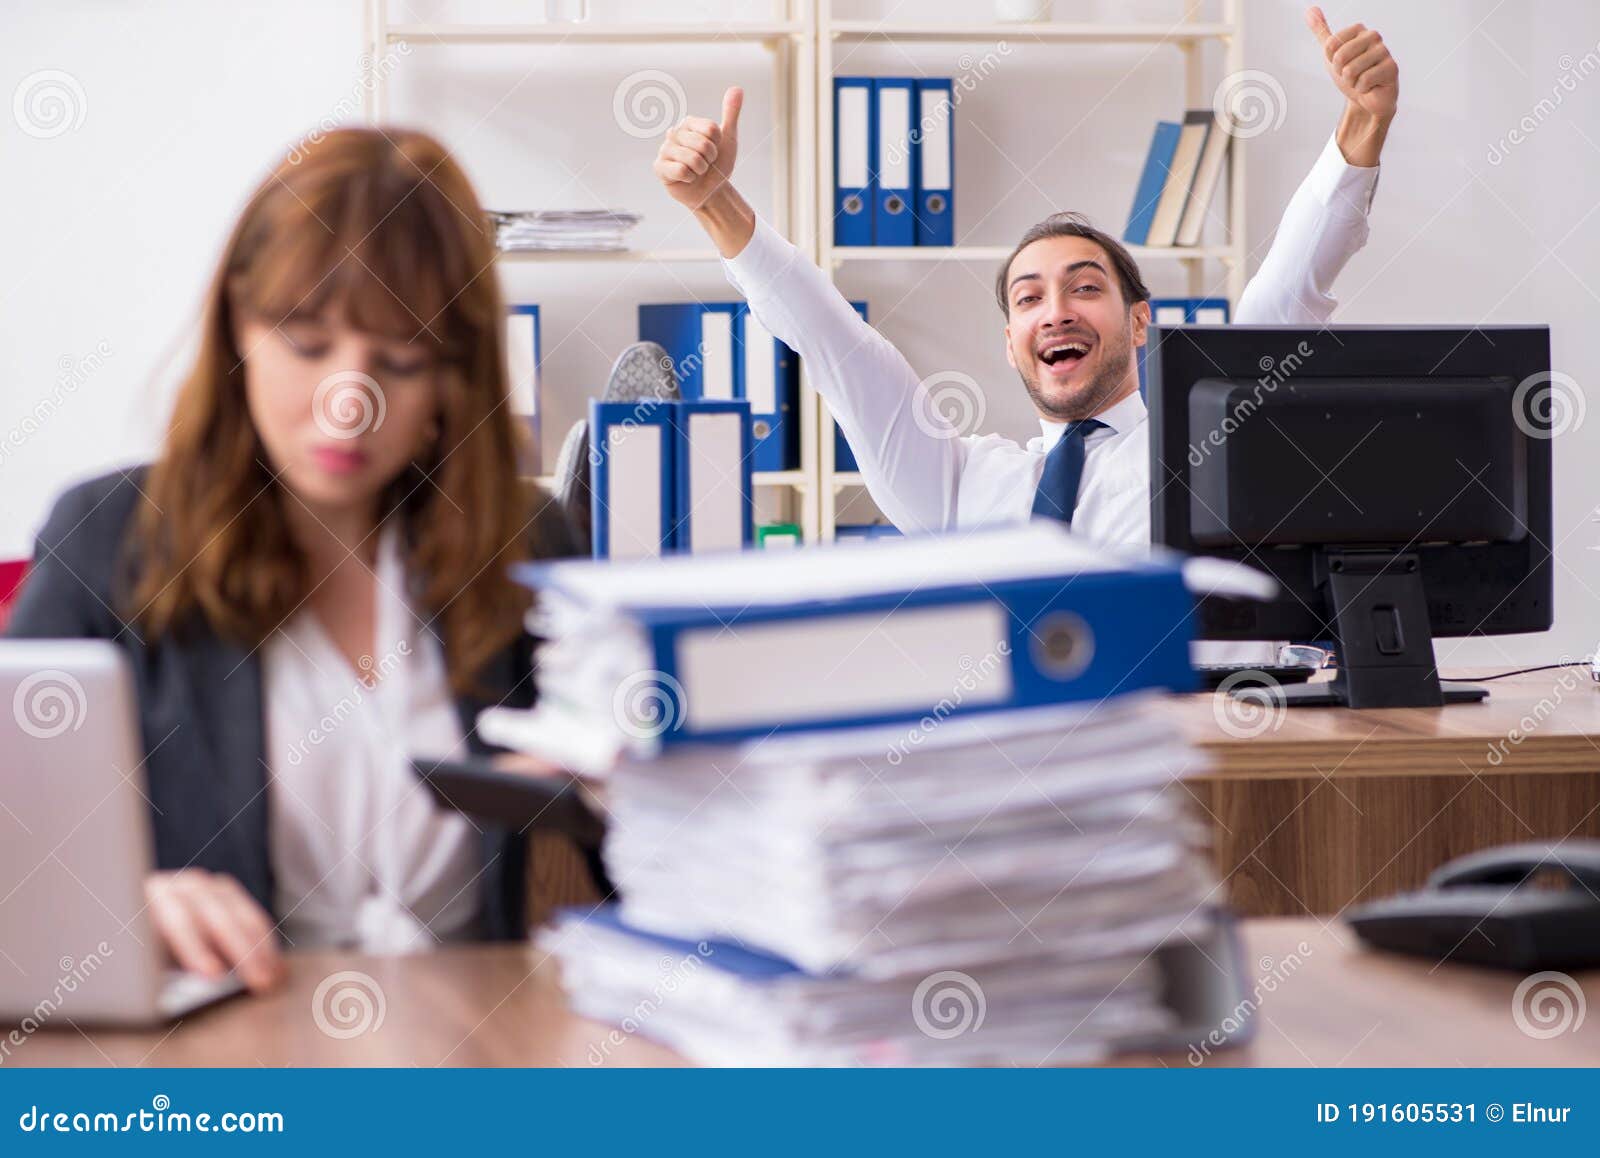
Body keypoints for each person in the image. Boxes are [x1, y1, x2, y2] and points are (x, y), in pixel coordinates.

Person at [7, 127, 582, 992]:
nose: (348, 403)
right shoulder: (109, 537)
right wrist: (127, 906)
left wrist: (615, 795)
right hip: (228, 1073)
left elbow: (630, 850)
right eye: (308, 345)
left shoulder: (522, 542)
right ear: (239, 326)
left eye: (399, 360)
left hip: (474, 1060)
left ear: (451, 380)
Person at [653, 7, 1399, 547]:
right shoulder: (957, 483)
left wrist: (1363, 121)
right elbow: (837, 348)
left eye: (1084, 287)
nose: (1056, 312)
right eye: (1029, 297)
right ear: (1011, 343)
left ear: (1141, 321)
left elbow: (1285, 292)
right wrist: (716, 203)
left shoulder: (1210, 447)